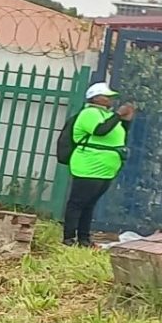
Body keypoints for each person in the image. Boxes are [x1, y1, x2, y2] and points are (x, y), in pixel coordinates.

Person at [62, 80, 135, 247]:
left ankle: (84, 239)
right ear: (95, 98)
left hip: (105, 169)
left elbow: (117, 134)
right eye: (106, 96)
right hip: (89, 166)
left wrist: (126, 121)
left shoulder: (107, 115)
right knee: (78, 203)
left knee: (89, 204)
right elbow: (100, 131)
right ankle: (68, 238)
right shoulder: (89, 114)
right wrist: (118, 115)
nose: (110, 99)